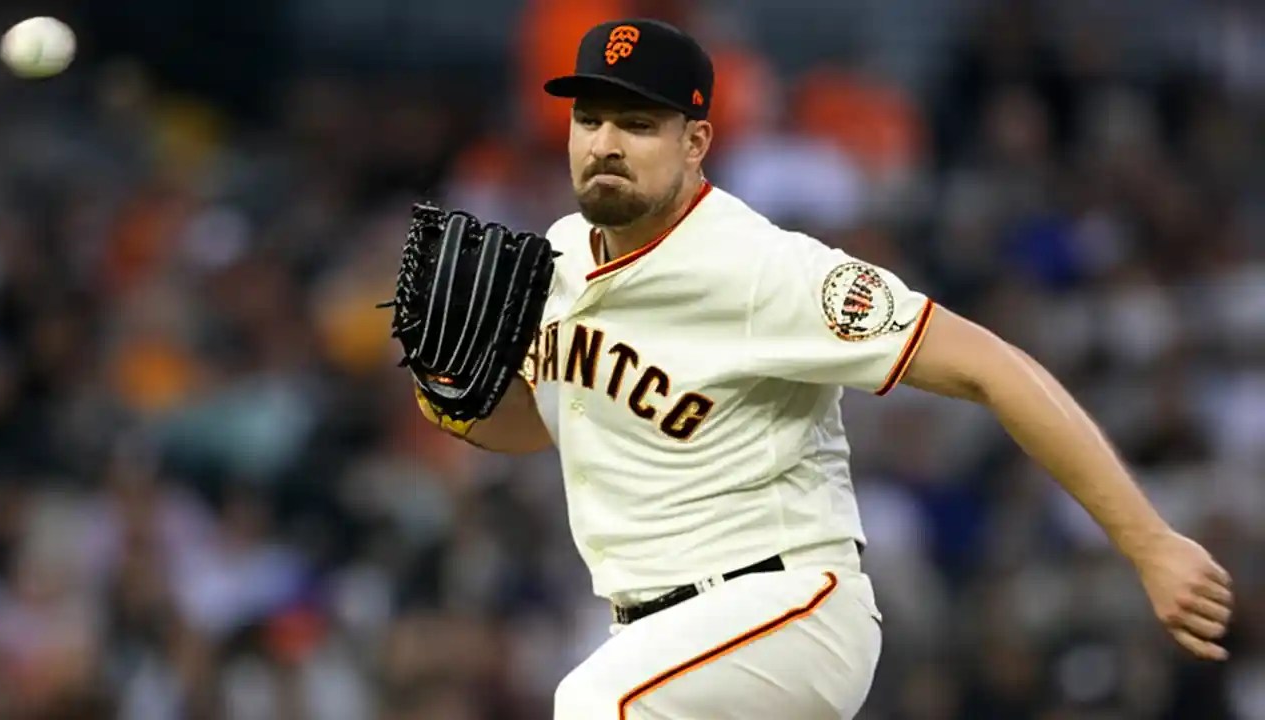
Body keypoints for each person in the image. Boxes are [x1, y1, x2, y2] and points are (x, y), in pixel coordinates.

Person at [415, 18, 1235, 719]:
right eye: (589, 118)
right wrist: (452, 403)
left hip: (786, 608)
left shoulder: (762, 269)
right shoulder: (554, 257)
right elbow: (556, 423)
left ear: (696, 141)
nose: (604, 144)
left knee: (595, 707)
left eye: (636, 123)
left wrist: (1150, 543)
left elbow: (994, 367)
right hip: (659, 635)